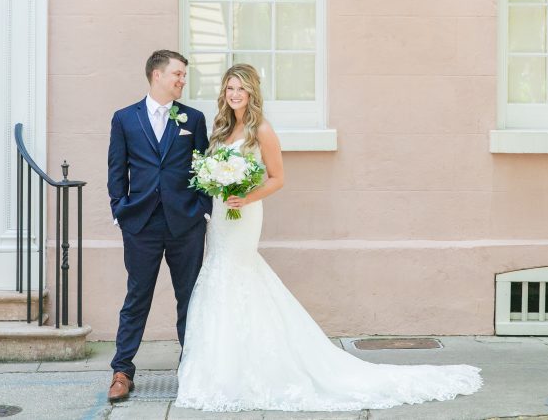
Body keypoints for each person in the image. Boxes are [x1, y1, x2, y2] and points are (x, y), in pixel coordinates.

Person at [175, 64, 483, 412]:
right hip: (220, 216)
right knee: (219, 273)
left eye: (241, 89)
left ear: (252, 93)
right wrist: (215, 183)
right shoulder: (219, 128)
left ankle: (257, 365)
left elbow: (277, 178)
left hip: (244, 213)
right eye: (230, 88)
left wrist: (245, 197)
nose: (234, 94)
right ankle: (223, 365)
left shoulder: (261, 129)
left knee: (237, 273)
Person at [106, 50, 210, 402]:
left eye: (183, 75)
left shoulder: (193, 119)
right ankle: (122, 370)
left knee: (189, 298)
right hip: (141, 224)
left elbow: (203, 169)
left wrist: (203, 211)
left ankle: (191, 368)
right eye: (178, 74)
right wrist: (120, 210)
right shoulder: (125, 119)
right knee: (137, 296)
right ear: (157, 75)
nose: (182, 80)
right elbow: (117, 170)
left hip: (186, 224)